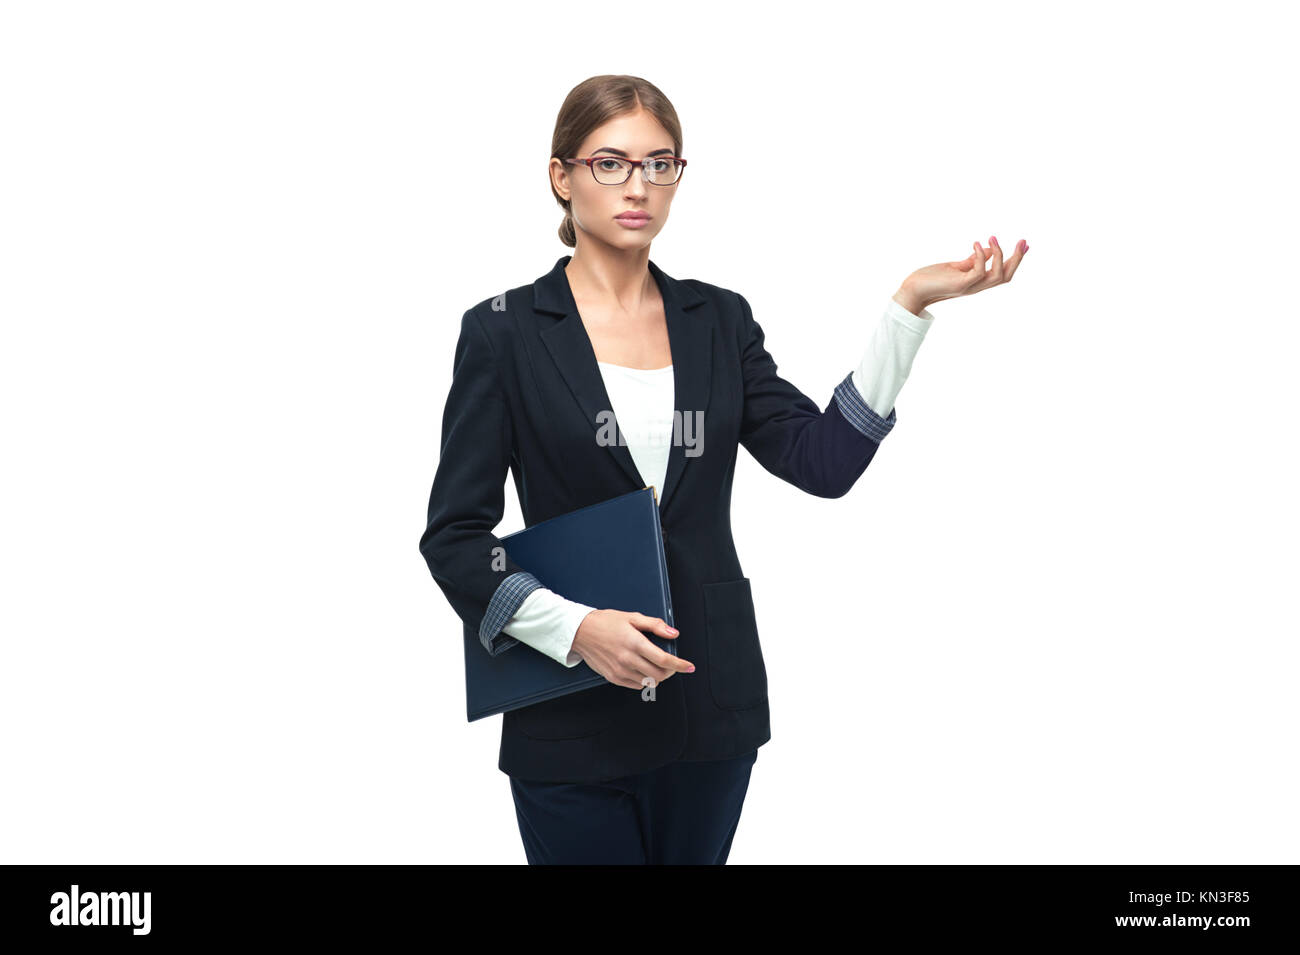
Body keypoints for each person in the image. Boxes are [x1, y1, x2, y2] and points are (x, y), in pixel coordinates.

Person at [418, 74, 1029, 865]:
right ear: (561, 177)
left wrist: (908, 308)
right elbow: (455, 537)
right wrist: (575, 630)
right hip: (569, 718)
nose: (638, 185)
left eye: (659, 163)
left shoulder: (719, 318)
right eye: (611, 163)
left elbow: (823, 461)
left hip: (709, 706)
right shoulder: (502, 333)